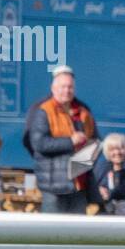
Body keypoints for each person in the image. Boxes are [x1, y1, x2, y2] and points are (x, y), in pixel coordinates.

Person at [24, 66, 99, 214]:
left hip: (79, 186)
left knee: (78, 228)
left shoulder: (83, 112)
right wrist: (70, 142)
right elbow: (39, 144)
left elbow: (95, 141)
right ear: (53, 88)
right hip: (54, 187)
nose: (67, 90)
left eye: (70, 87)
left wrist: (85, 158)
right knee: (52, 228)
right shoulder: (43, 111)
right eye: (63, 87)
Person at [93, 133, 125, 216]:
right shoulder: (102, 167)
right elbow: (94, 185)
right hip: (106, 211)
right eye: (112, 149)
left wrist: (108, 194)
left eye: (121, 148)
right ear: (107, 152)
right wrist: (99, 191)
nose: (117, 152)